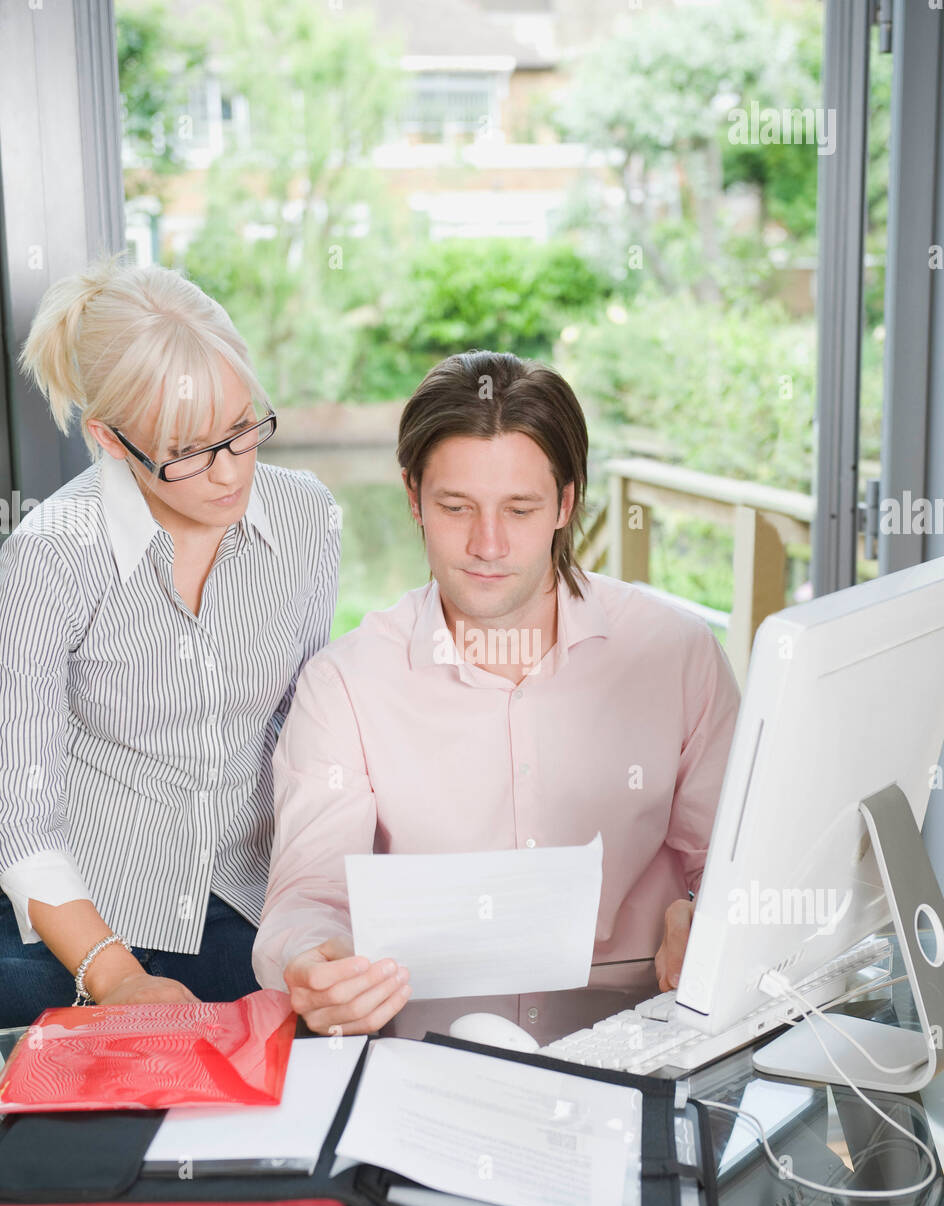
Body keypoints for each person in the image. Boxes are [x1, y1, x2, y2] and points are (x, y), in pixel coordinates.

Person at [253, 350, 739, 1040]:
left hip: (642, 1041)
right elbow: (309, 896)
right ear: (413, 498)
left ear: (566, 502)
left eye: (520, 509)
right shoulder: (346, 684)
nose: (488, 544)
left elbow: (737, 862)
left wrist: (713, 915)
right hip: (427, 1054)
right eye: (456, 507)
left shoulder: (676, 654)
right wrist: (310, 960)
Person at [0, 257, 340, 1027]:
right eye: (188, 451)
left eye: (242, 428)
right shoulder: (48, 555)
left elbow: (307, 734)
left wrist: (317, 908)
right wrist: (118, 979)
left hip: (248, 902)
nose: (230, 473)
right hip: (83, 922)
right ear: (111, 440)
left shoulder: (309, 518)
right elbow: (21, 822)